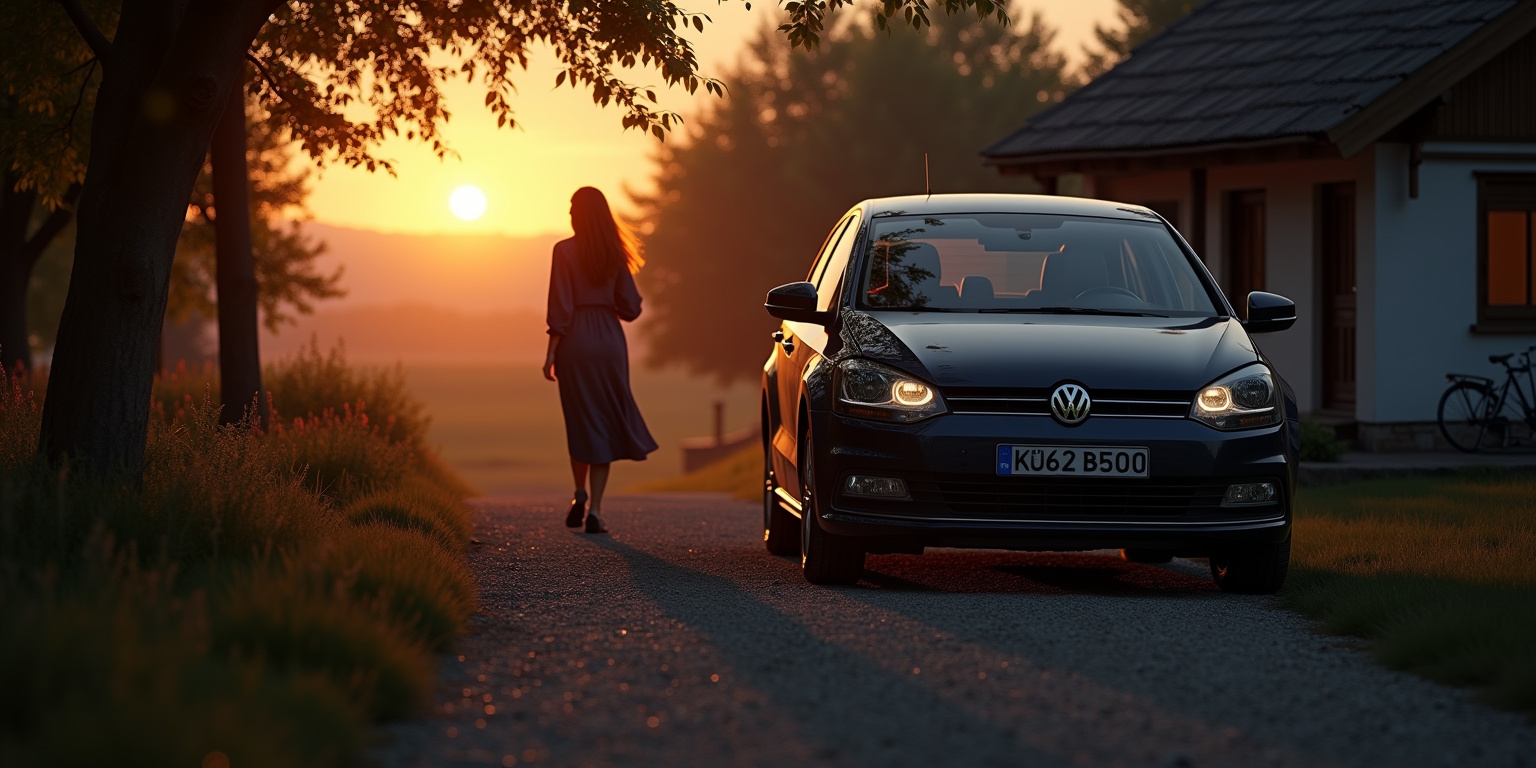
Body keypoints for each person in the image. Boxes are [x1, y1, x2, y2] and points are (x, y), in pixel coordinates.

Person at [543, 186, 658, 533]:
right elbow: (631, 307)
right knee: (605, 421)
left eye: (571, 208)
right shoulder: (615, 254)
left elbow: (559, 307)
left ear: (579, 213)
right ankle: (596, 510)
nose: (568, 213)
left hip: (575, 342)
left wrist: (551, 352)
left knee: (580, 420)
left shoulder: (563, 251)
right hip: (609, 341)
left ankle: (579, 493)